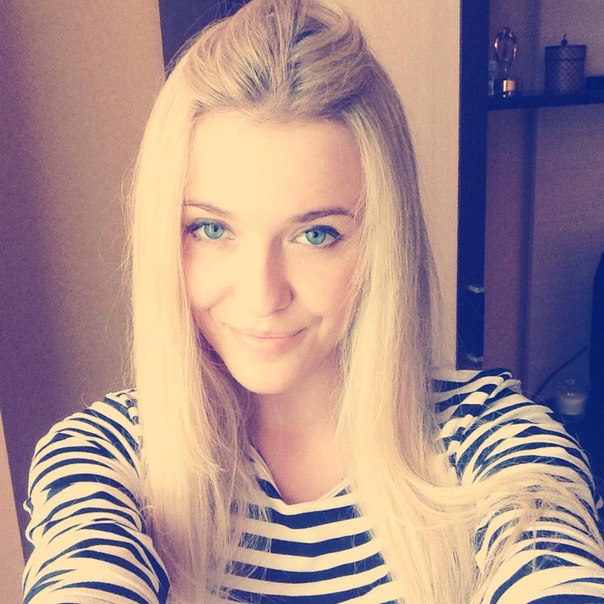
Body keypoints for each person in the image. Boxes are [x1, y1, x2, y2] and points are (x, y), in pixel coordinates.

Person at [22, 0, 604, 602]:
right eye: (212, 229)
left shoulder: (496, 442)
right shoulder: (99, 458)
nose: (262, 295)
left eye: (316, 234)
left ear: (382, 244)